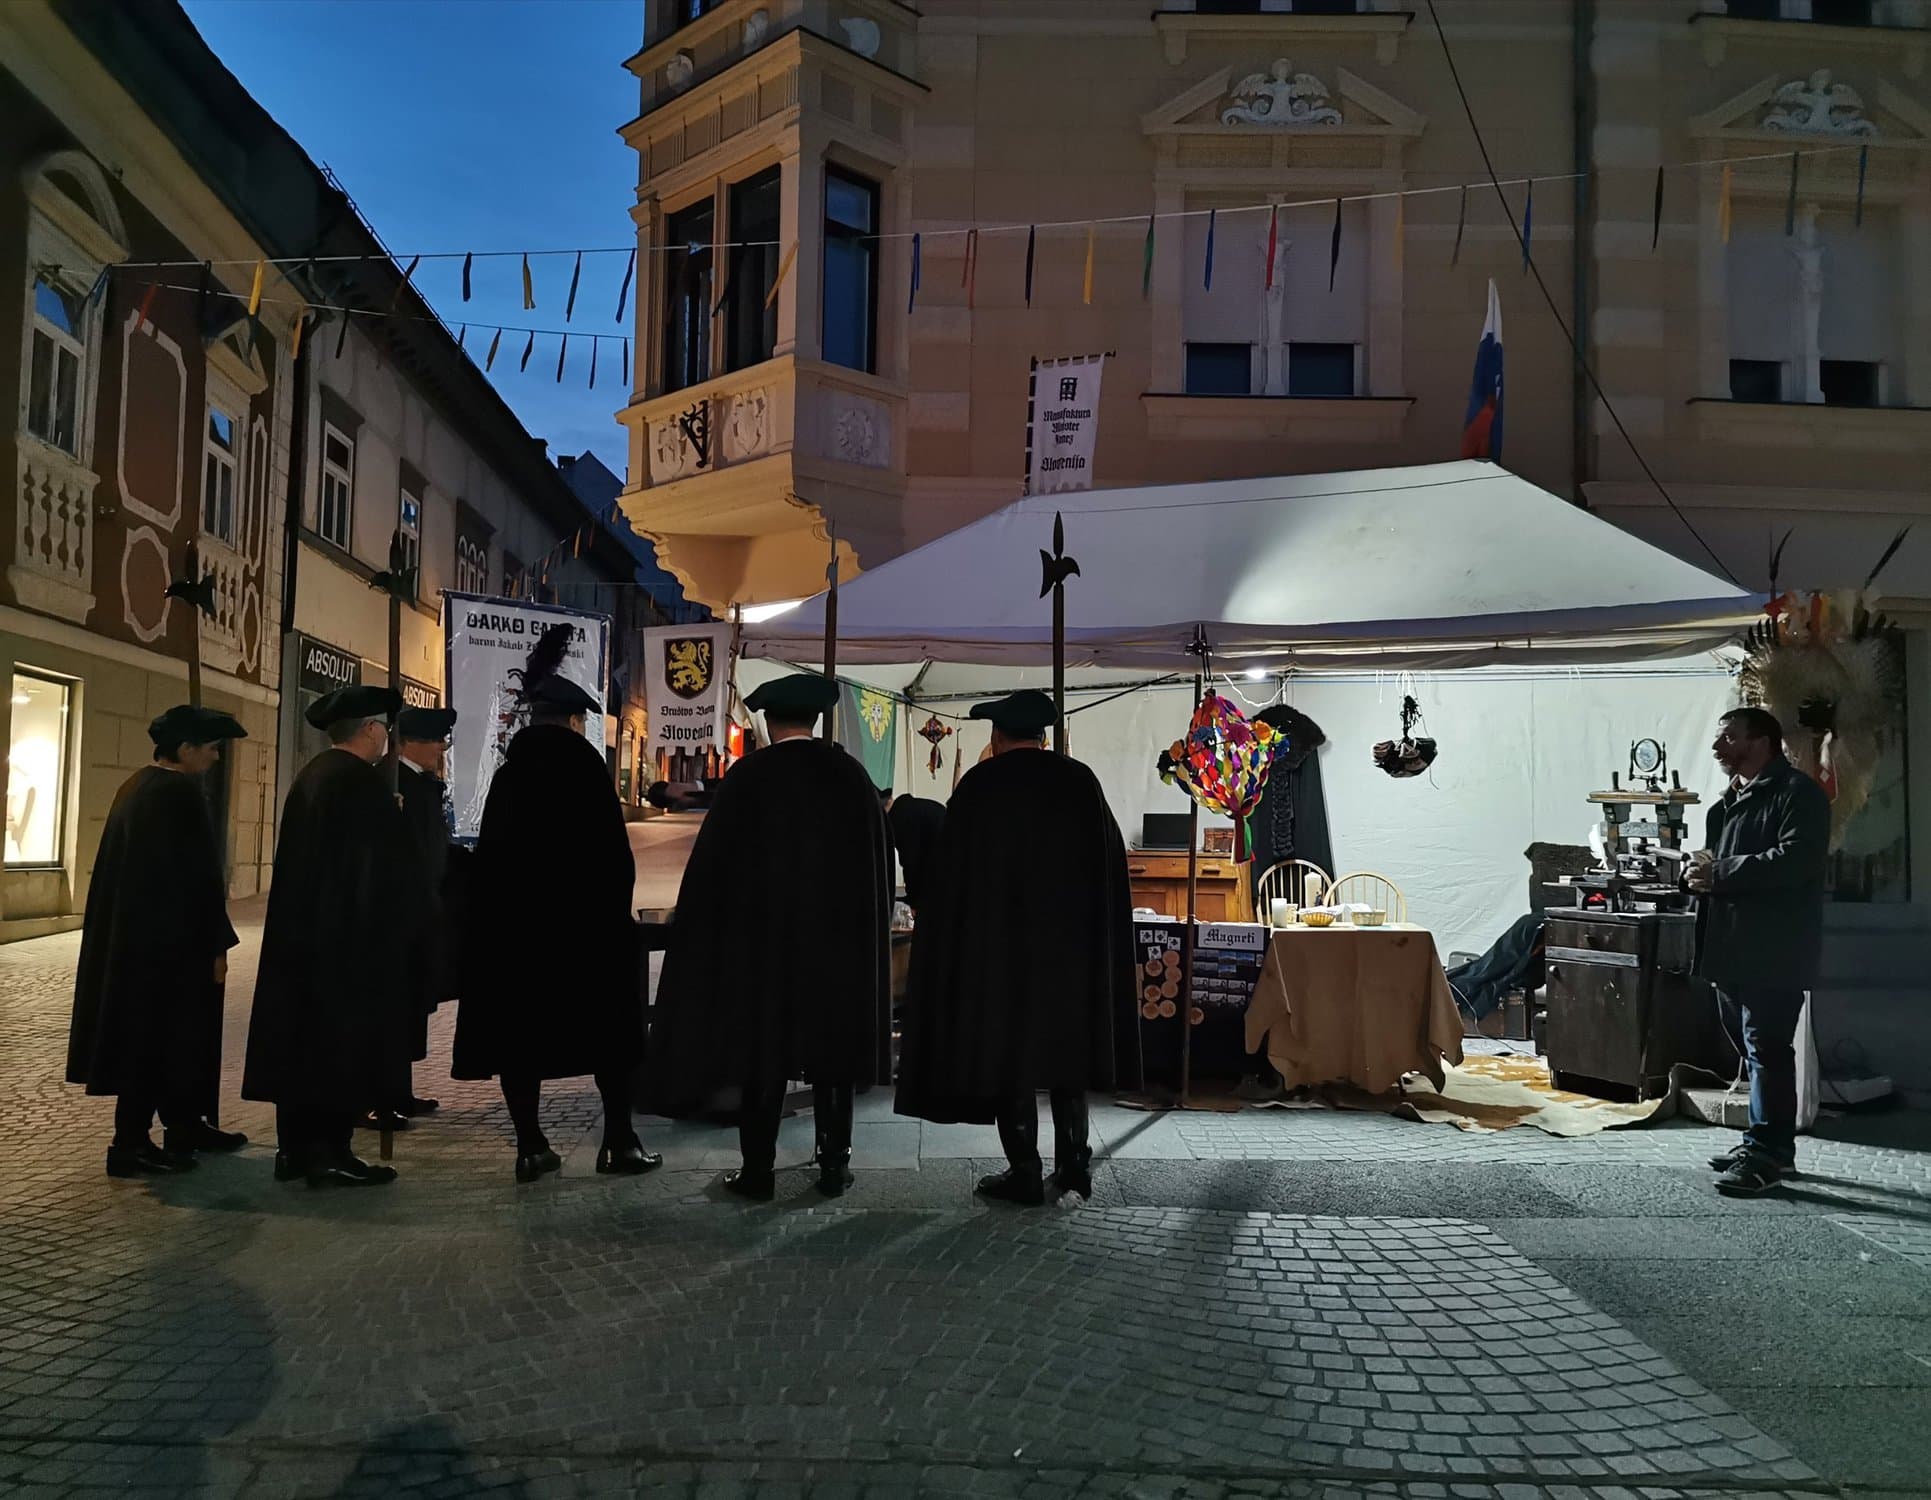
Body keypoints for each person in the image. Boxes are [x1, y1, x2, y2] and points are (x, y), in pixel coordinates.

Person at [649, 674, 892, 1201]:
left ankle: (757, 1170)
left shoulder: (748, 778)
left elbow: (713, 871)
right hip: (836, 951)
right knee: (833, 1059)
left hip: (762, 951)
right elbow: (876, 868)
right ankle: (834, 1166)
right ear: (815, 719)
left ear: (769, 721)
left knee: (763, 1056)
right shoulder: (852, 777)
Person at [896, 689, 1138, 1204]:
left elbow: (951, 872)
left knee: (1012, 1058)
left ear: (997, 735)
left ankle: (1024, 1171)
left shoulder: (982, 785)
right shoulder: (1080, 781)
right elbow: (1110, 864)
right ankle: (1075, 1164)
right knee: (1068, 1054)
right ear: (1044, 736)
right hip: (1071, 953)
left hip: (1001, 953)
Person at [453, 624, 658, 1184]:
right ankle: (618, 1141)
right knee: (610, 1040)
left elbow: (491, 861)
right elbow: (615, 860)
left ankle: (531, 1146)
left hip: (515, 939)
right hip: (586, 936)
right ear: (574, 721)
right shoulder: (586, 771)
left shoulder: (509, 777)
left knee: (520, 1040)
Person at [243, 685, 426, 1187]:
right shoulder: (358, 783)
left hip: (305, 941)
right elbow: (384, 872)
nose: (386, 737)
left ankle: (295, 1150)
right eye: (384, 728)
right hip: (347, 948)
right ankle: (331, 1152)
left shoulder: (314, 776)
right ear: (370, 729)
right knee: (338, 1048)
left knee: (300, 1046)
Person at [68, 705, 249, 1177]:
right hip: (168, 952)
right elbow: (196, 880)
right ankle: (131, 1142)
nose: (214, 757)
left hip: (144, 945)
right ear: (184, 750)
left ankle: (185, 1123)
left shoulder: (138, 786)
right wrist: (214, 945)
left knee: (169, 1040)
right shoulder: (175, 795)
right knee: (157, 1040)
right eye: (209, 748)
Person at [1688, 705, 1830, 1197]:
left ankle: (1767, 1155)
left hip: (1774, 948)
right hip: (1730, 946)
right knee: (1754, 1049)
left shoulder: (1798, 795)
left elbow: (1796, 859)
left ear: (1763, 742)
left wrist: (1721, 873)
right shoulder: (1725, 804)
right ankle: (1767, 1143)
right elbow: (1717, 864)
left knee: (1767, 1048)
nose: (1717, 747)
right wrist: (1699, 873)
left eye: (1729, 737)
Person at [372, 705, 463, 1130]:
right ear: (409, 743)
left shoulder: (422, 784)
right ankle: (378, 1097)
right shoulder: (390, 782)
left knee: (410, 1007)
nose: (442, 747)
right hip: (396, 917)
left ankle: (399, 1092)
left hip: (423, 912)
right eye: (435, 740)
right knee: (389, 1010)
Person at [886, 791, 946, 915]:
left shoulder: (899, 818)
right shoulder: (910, 808)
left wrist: (914, 903)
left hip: (943, 864)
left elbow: (910, 862)